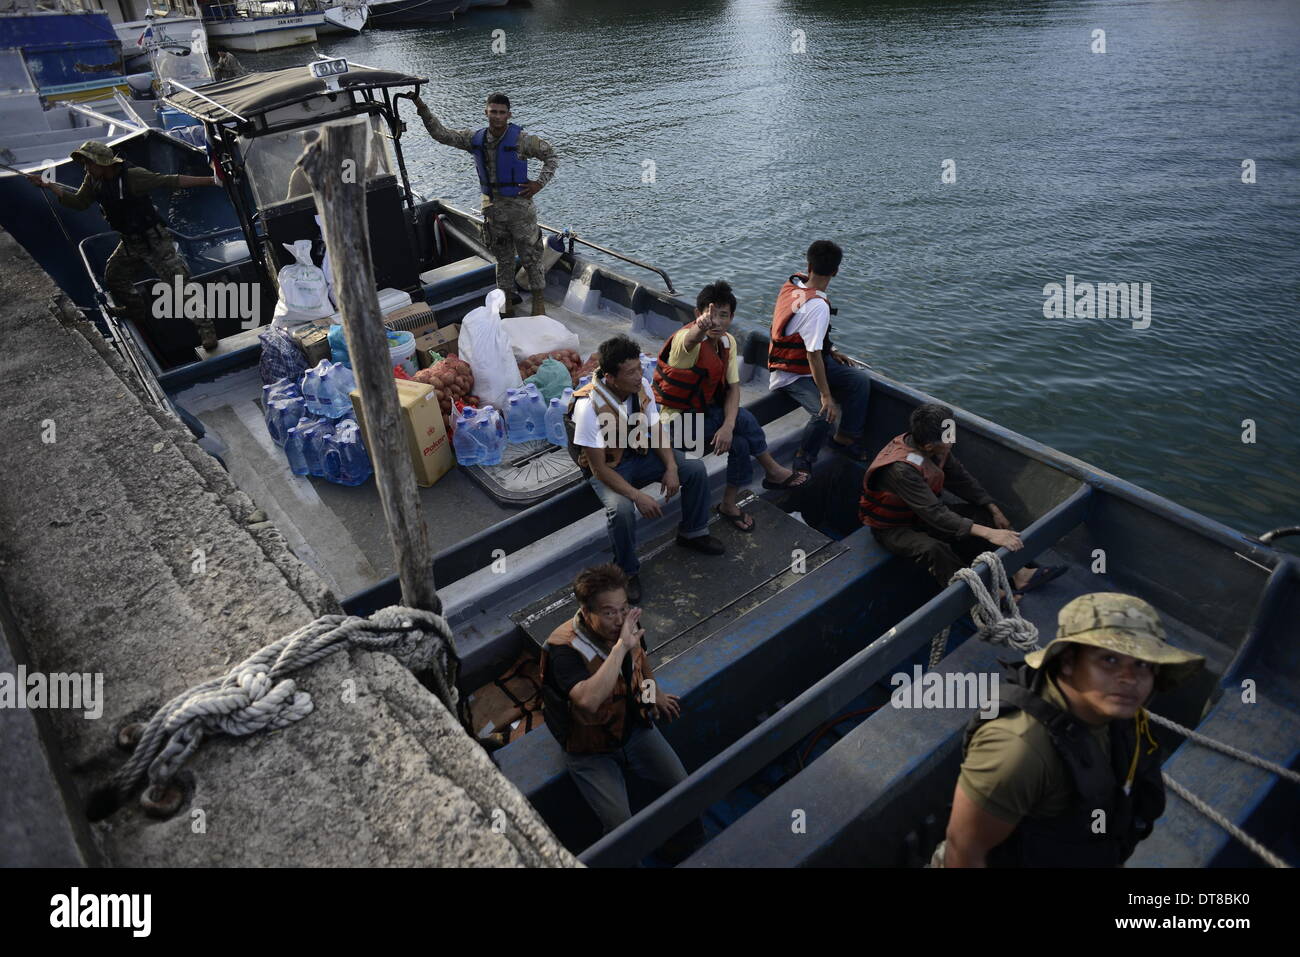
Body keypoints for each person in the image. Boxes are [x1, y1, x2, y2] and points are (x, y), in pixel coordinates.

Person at [937, 592, 1205, 867]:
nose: (1129, 679)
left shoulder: (1118, 713)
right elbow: (964, 851)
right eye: (1109, 660)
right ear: (1067, 662)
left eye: (1142, 664)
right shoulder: (1019, 749)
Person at [540, 563, 702, 856]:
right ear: (586, 612)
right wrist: (620, 648)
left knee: (682, 786)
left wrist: (655, 695)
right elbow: (588, 701)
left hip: (634, 730)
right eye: (608, 612)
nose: (620, 619)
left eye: (623, 607)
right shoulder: (563, 650)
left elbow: (641, 661)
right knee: (620, 827)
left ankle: (685, 847)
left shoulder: (629, 624)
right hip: (590, 750)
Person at [569, 335, 724, 603]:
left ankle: (693, 532)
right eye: (631, 372)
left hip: (640, 452)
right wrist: (637, 495)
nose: (639, 375)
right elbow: (598, 470)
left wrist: (671, 467)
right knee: (621, 510)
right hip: (610, 467)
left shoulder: (641, 388)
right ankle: (626, 571)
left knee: (694, 469)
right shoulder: (588, 407)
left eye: (639, 367)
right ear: (610, 377)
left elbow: (656, 431)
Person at [27, 140, 222, 350]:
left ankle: (207, 332)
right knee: (114, 276)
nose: (86, 168)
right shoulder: (93, 179)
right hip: (130, 242)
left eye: (89, 163)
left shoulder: (133, 176)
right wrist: (50, 186)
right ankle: (136, 309)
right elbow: (79, 203)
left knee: (180, 288)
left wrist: (212, 181)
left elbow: (170, 181)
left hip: (155, 241)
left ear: (102, 163)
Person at [860, 402, 1065, 596]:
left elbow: (961, 479)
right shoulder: (902, 470)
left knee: (980, 514)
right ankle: (988, 596)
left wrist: (992, 508)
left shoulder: (936, 447)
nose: (953, 439)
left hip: (921, 515)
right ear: (929, 446)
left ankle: (1021, 573)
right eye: (948, 436)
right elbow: (935, 514)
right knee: (934, 550)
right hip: (895, 528)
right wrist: (989, 533)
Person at [652, 280, 808, 531]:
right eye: (709, 315)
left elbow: (733, 388)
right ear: (698, 315)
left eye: (723, 315)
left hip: (706, 418)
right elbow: (690, 339)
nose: (716, 322)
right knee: (745, 419)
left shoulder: (727, 342)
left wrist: (727, 426)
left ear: (731, 317)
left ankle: (728, 504)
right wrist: (699, 329)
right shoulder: (685, 340)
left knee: (741, 442)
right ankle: (773, 470)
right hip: (678, 426)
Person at [411, 91, 557, 318]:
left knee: (531, 256)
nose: (497, 117)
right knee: (503, 260)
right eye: (493, 112)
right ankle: (506, 305)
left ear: (509, 114)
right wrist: (421, 105)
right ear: (486, 112)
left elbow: (551, 156)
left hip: (520, 212)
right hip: (493, 213)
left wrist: (539, 183)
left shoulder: (523, 140)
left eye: (501, 113)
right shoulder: (474, 139)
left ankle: (539, 306)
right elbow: (441, 134)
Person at [768, 239, 873, 472]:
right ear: (835, 271)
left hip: (807, 360)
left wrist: (833, 351)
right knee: (824, 413)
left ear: (808, 266)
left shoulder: (795, 283)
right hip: (791, 371)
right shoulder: (818, 307)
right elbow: (813, 355)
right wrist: (826, 396)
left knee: (859, 381)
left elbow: (810, 338)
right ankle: (804, 457)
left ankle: (844, 439)